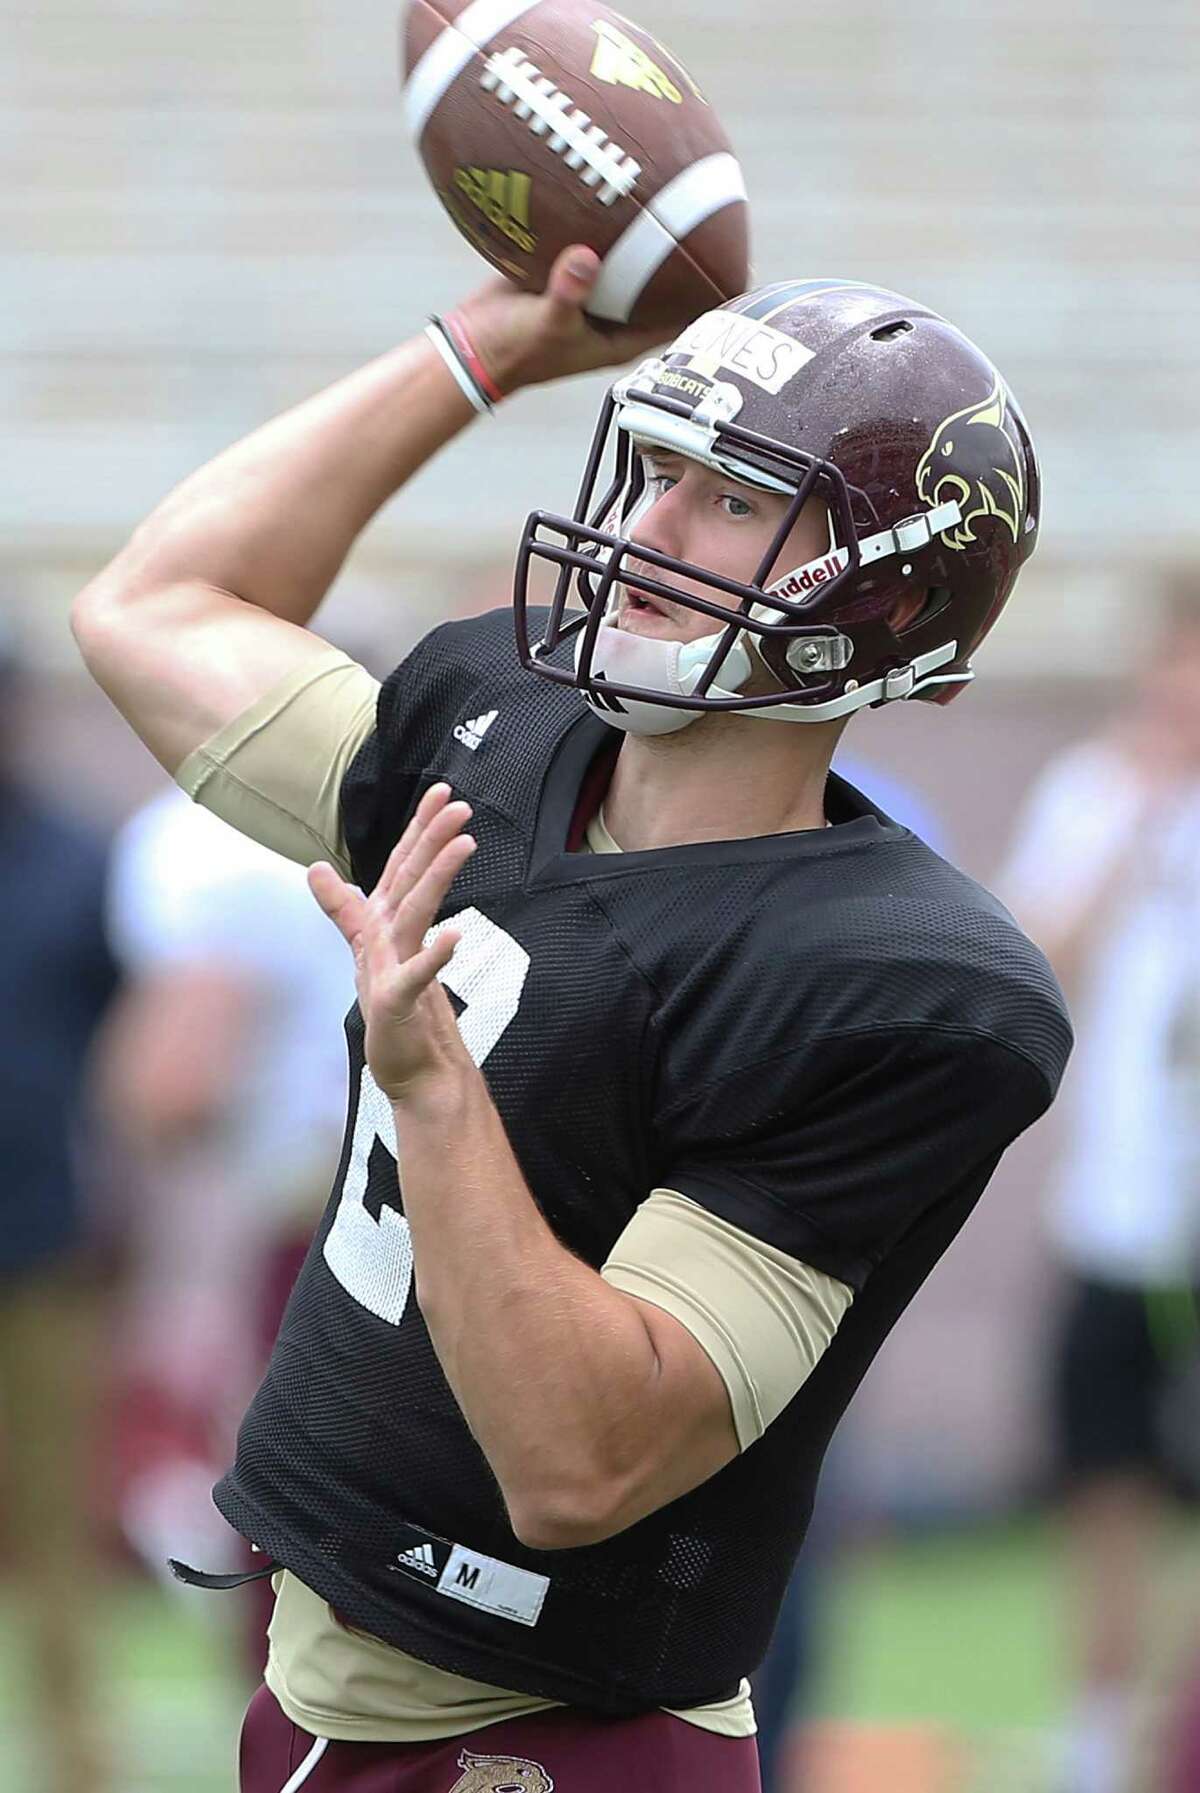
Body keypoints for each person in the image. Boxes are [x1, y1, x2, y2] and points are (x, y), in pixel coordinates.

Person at [71, 249, 1072, 1793]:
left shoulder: (896, 986)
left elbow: (576, 1461)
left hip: (543, 1742)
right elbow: (154, 609)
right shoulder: (504, 727)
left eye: (728, 499)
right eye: (652, 470)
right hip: (324, 1697)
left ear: (880, 594)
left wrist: (436, 1093)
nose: (643, 531)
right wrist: (483, 348)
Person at [997, 579, 1200, 1793]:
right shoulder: (1095, 791)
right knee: (1104, 1483)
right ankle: (1096, 1740)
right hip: (1116, 1215)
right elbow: (1033, 966)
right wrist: (1135, 829)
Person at [97, 784, 353, 1655]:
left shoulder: (212, 842)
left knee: (292, 1533)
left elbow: (174, 1087)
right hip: (396, 1194)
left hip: (312, 1219)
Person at [0, 622, 121, 1793]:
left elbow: (119, 1051)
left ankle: (78, 1766)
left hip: (37, 1243)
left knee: (53, 1532)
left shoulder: (77, 859)